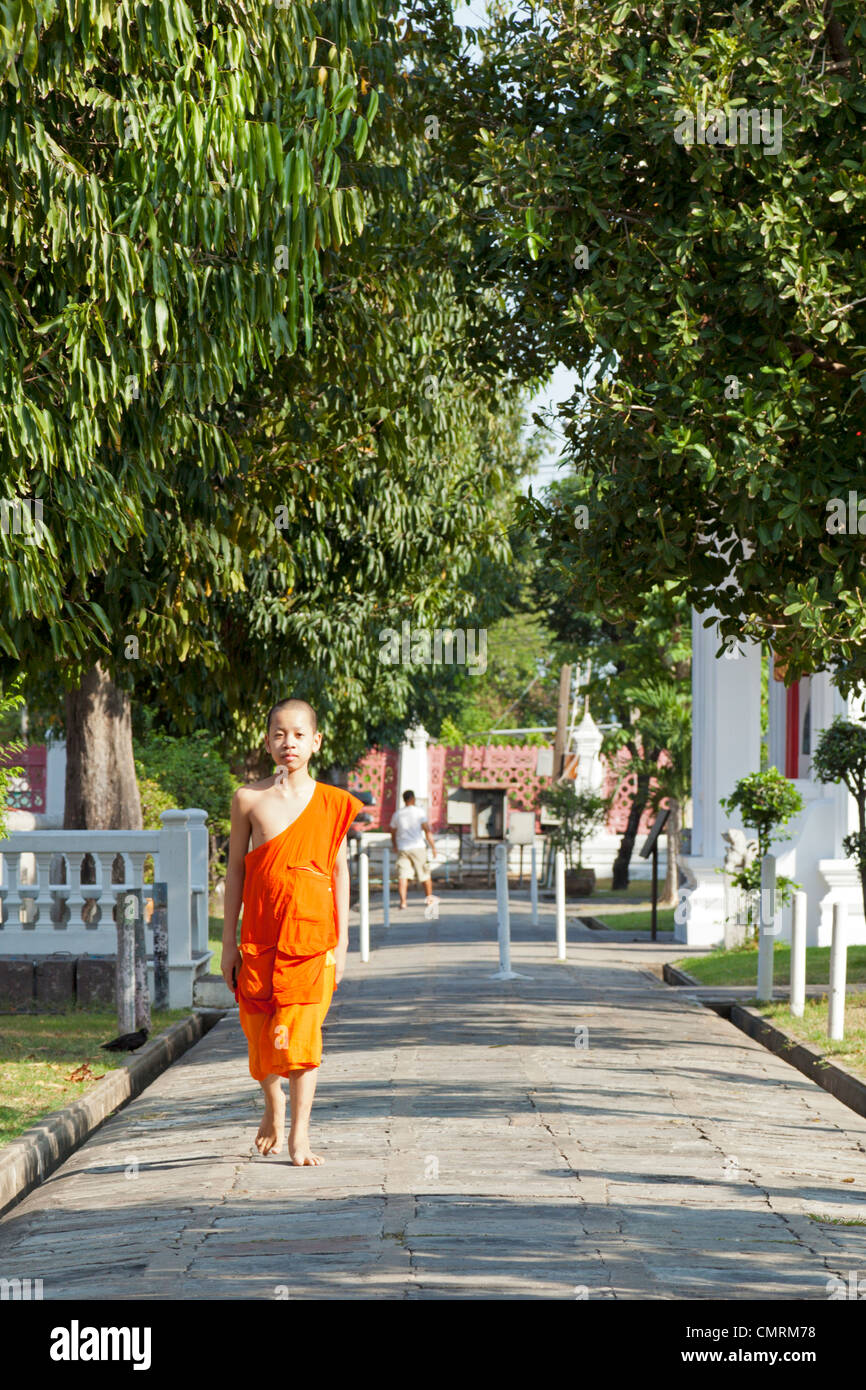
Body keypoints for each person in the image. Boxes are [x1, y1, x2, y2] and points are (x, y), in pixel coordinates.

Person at [221, 699, 363, 1165]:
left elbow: (339, 872)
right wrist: (227, 946)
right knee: (261, 1031)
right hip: (259, 938)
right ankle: (272, 1102)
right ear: (267, 741)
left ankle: (301, 1135)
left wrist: (342, 944)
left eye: (300, 734)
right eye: (280, 734)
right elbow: (237, 875)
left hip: (312, 941)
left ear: (316, 742)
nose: (290, 743)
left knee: (303, 1039)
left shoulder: (333, 803)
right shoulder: (249, 799)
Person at [390, 789, 439, 915]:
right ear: (413, 799)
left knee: (403, 875)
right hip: (418, 847)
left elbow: (393, 832)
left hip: (403, 847)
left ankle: (403, 902)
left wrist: (395, 845)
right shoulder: (419, 812)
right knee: (424, 874)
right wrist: (433, 847)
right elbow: (427, 831)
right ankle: (429, 900)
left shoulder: (397, 814)